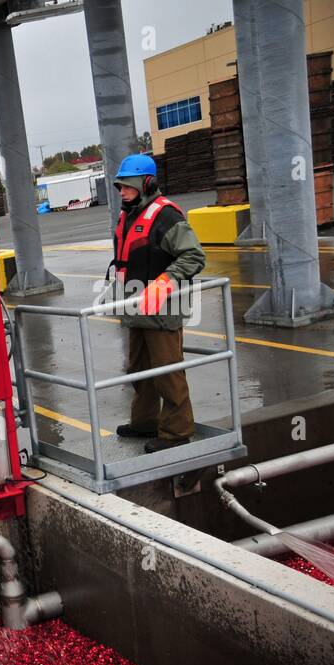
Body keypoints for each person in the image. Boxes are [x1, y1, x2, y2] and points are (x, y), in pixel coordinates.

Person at [109, 153, 206, 453]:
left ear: (147, 183)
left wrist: (166, 281)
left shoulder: (165, 216)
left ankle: (176, 432)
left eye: (127, 186)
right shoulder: (130, 215)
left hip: (163, 311)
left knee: (167, 372)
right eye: (120, 186)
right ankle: (145, 422)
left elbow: (194, 256)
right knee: (139, 370)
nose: (122, 192)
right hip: (136, 309)